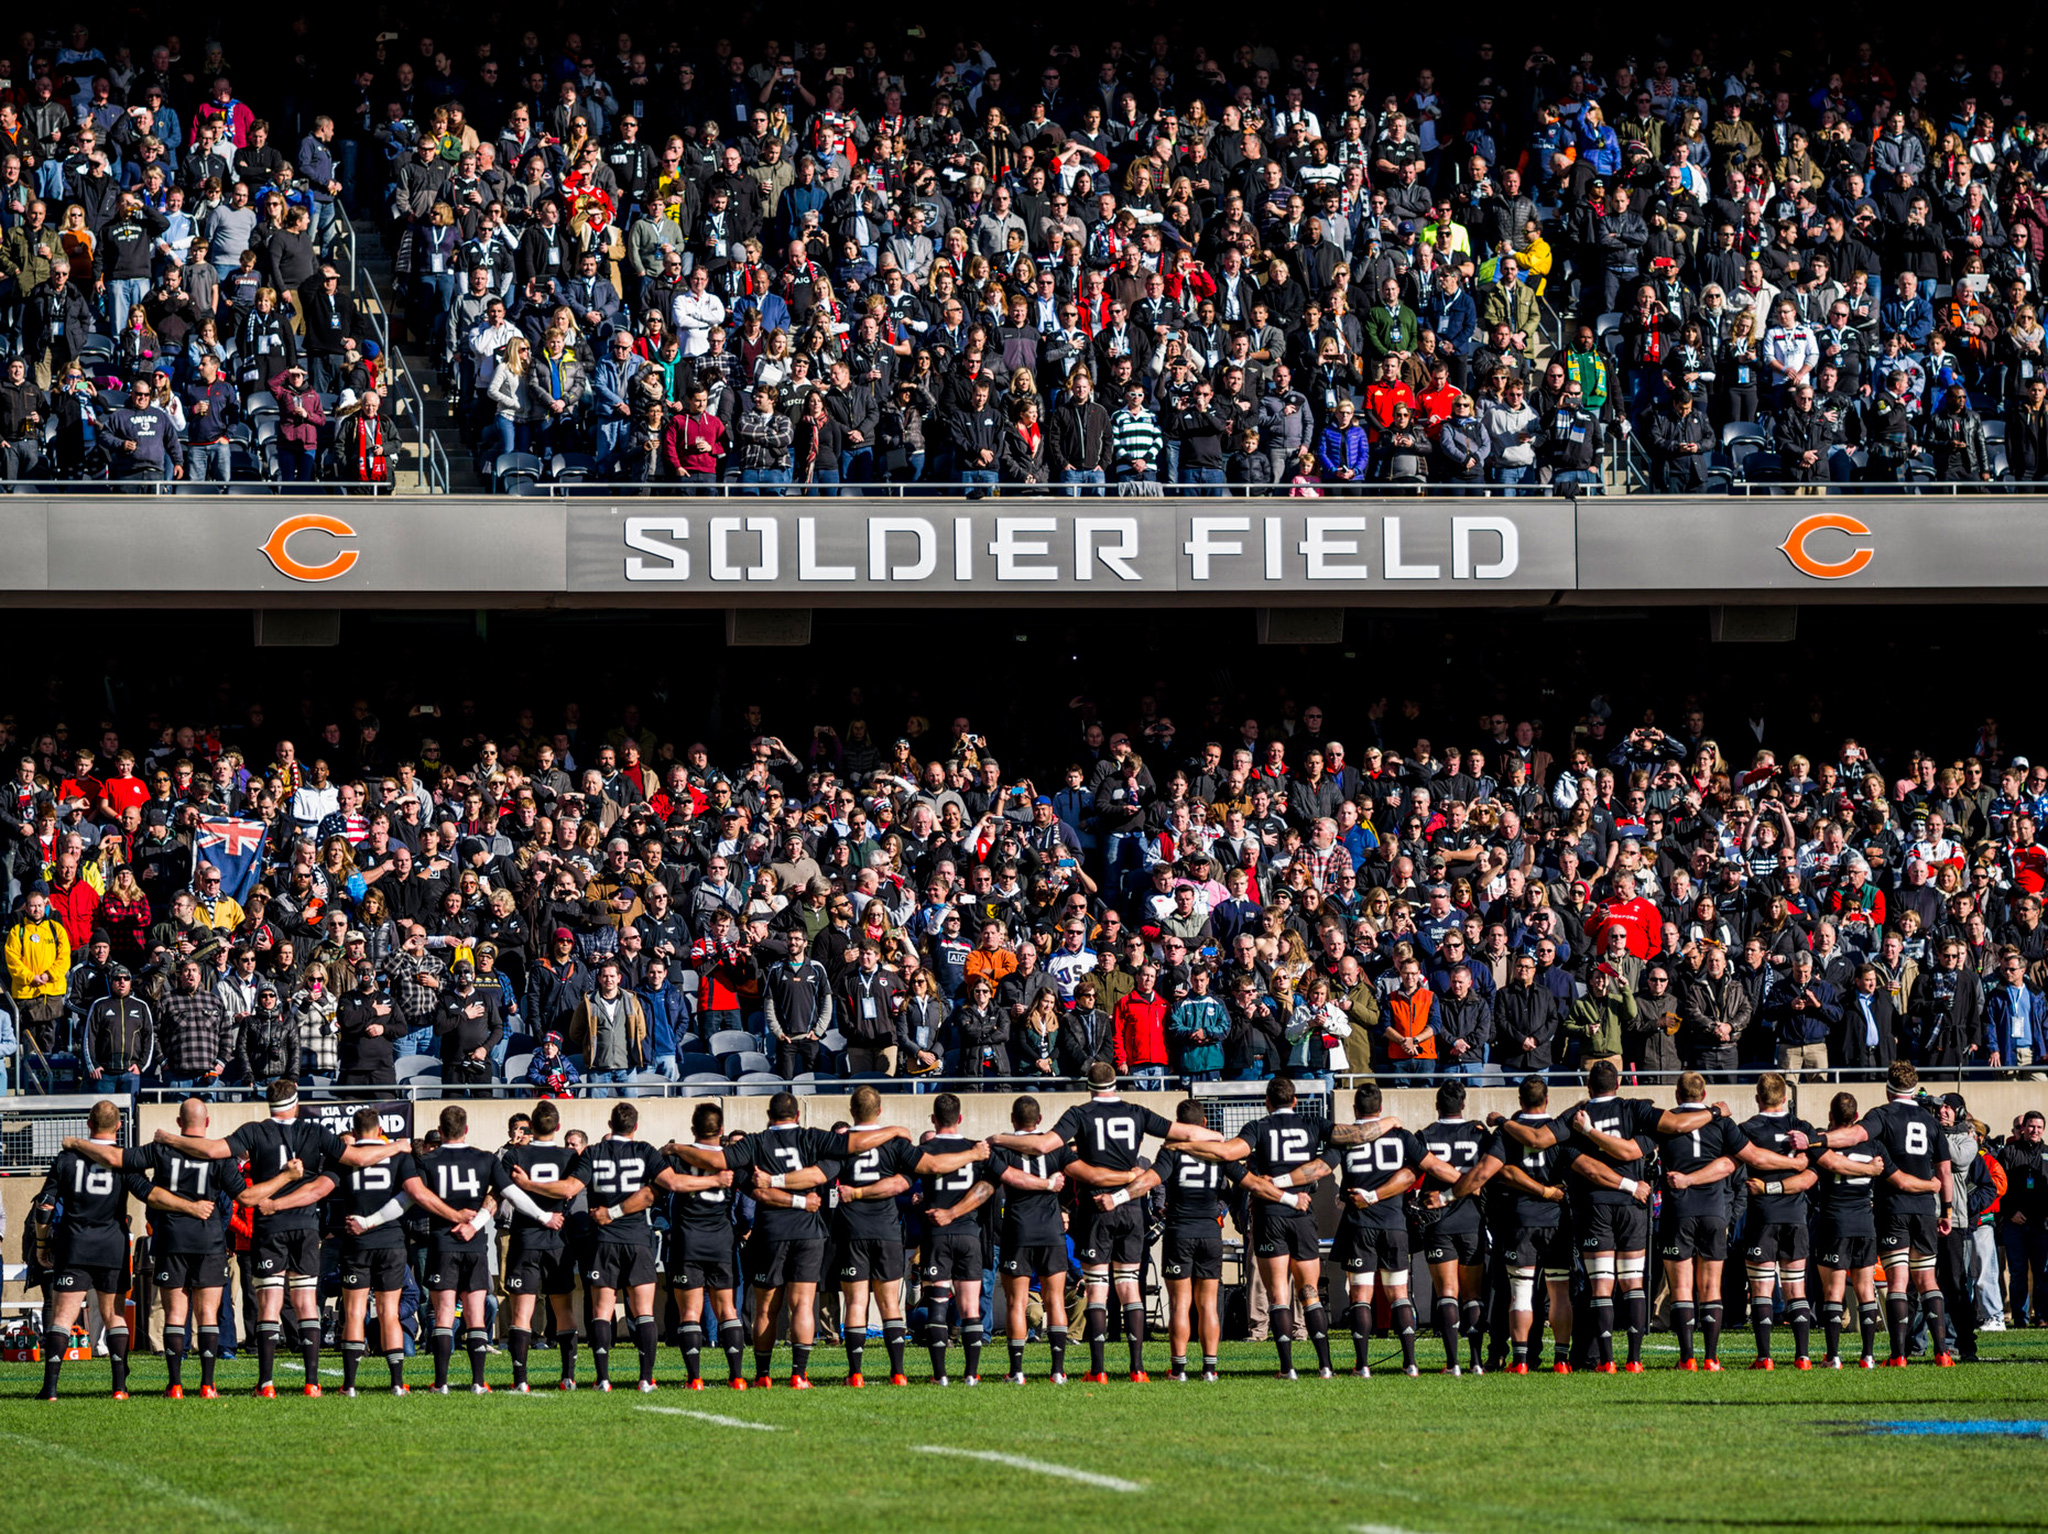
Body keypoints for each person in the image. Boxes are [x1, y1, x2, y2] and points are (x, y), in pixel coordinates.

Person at [147, 1076, 408, 1396]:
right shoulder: (314, 1130)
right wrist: (398, 1145)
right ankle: (312, 1383)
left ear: (269, 1104)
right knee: (306, 1304)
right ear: (296, 1103)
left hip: (270, 1225)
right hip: (306, 1227)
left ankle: (267, 1384)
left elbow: (213, 1149)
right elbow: (358, 1158)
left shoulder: (254, 1130)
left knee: (269, 1304)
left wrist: (171, 1139)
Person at [987, 1060, 1221, 1382]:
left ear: (1089, 1087)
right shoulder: (1137, 1111)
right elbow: (1190, 1132)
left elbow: (1042, 1144)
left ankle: (1098, 1370)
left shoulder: (1079, 1113)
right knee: (1129, 1287)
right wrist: (1213, 1138)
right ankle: (1137, 1369)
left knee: (1097, 1289)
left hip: (1097, 1206)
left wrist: (998, 1138)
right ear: (1115, 1084)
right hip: (1132, 1206)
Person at [39, 1100, 220, 1399]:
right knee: (115, 1315)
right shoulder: (124, 1161)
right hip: (112, 1245)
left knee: (62, 1317)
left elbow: (45, 1207)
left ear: (89, 1123)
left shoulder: (66, 1158)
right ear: (119, 1126)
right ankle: (120, 1388)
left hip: (74, 1244)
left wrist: (42, 1244)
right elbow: (151, 1195)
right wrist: (190, 1207)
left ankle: (50, 1389)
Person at [1808, 1061, 1959, 1366]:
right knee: (1928, 1281)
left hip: (1891, 1209)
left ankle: (1898, 1355)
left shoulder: (1881, 1116)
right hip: (1925, 1210)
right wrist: (1946, 1209)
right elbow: (1945, 1170)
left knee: (1897, 1283)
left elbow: (1853, 1137)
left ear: (1888, 1091)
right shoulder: (1929, 1120)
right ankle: (1942, 1352)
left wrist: (1818, 1139)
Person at [99, 1097, 252, 1398]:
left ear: (179, 1122)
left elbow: (123, 1162)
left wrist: (150, 1193)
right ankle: (207, 1385)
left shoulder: (162, 1149)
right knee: (207, 1314)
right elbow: (241, 1195)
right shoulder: (220, 1154)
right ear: (207, 1122)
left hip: (172, 1240)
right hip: (209, 1241)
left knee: (175, 1314)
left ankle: (175, 1385)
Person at [511, 1100, 666, 1392]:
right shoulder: (645, 1150)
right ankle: (645, 1379)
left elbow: (569, 1188)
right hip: (634, 1237)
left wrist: (529, 1185)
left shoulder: (593, 1152)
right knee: (644, 1311)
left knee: (600, 1311)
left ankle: (602, 1379)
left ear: (609, 1125)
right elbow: (669, 1184)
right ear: (636, 1126)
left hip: (599, 1239)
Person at [1414, 1080, 1493, 1373]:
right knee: (1472, 1294)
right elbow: (1489, 1173)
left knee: (1447, 1291)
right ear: (1463, 1105)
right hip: (1473, 1221)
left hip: (1439, 1221)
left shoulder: (1425, 1135)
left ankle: (1453, 1363)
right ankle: (1476, 1362)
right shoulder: (1479, 1134)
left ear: (1437, 1105)